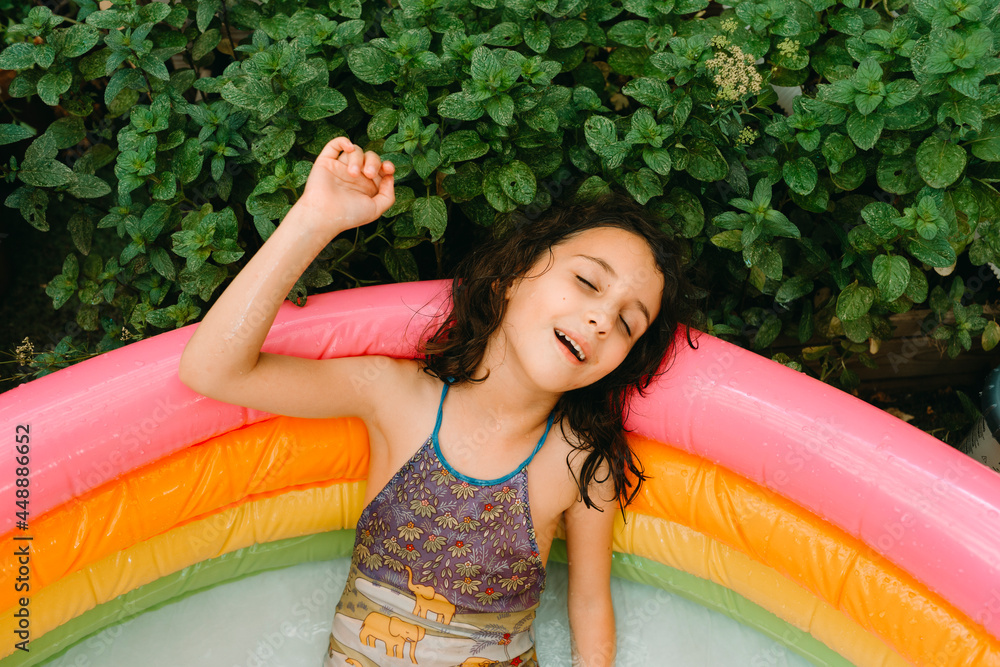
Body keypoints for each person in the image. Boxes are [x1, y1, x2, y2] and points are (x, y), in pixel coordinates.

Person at [178, 137, 696, 667]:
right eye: (588, 281)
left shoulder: (579, 459)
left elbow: (588, 603)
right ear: (513, 276)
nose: (603, 320)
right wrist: (315, 218)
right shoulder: (394, 395)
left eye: (628, 323)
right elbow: (212, 370)